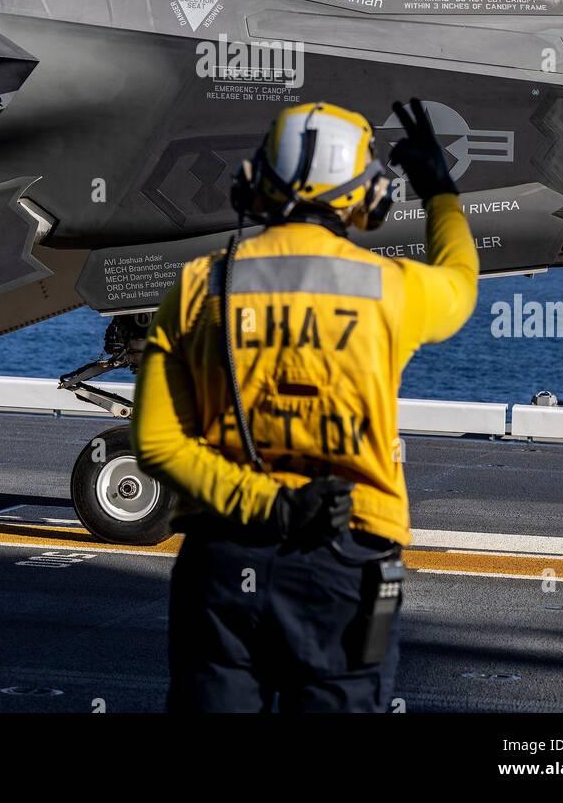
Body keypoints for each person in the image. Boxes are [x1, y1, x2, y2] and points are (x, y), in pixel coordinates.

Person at [131, 98, 479, 713]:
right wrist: (439, 192)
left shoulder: (197, 286)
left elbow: (159, 444)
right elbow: (460, 279)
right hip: (343, 562)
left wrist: (269, 504)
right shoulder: (393, 289)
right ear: (367, 196)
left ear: (256, 183)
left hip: (224, 559)